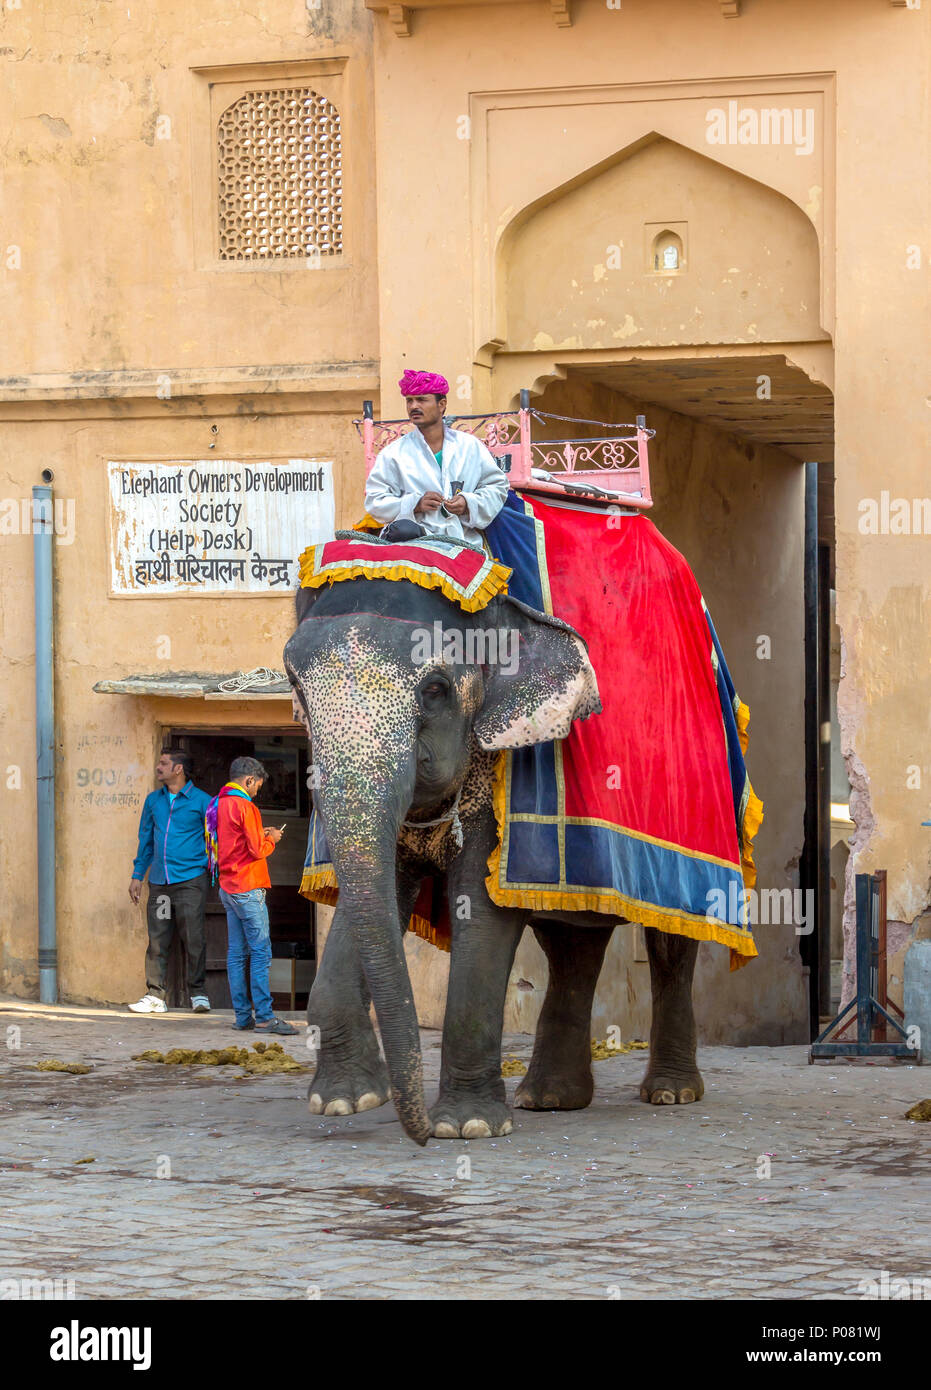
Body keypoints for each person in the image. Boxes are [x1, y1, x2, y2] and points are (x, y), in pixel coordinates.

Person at [364, 368, 509, 546]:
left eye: (422, 400)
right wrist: (414, 504)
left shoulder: (470, 447)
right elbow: (374, 500)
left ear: (442, 404)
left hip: (465, 541)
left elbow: (497, 486)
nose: (413, 406)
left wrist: (468, 503)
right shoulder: (393, 453)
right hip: (410, 542)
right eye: (409, 401)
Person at [206, 756, 296, 1035]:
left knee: (236, 955)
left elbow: (231, 842)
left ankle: (243, 1017)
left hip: (227, 887)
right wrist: (271, 839)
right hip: (248, 886)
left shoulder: (217, 803)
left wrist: (261, 834)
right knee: (260, 953)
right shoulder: (246, 805)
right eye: (257, 784)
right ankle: (266, 1018)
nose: (257, 790)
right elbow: (257, 851)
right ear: (248, 780)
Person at [128, 748, 212, 1014]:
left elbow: (216, 841)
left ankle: (198, 994)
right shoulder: (154, 801)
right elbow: (146, 840)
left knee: (193, 937)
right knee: (158, 938)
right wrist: (137, 876)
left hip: (190, 881)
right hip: (161, 884)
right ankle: (155, 995)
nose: (158, 766)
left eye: (164, 763)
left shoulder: (203, 801)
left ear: (179, 769)